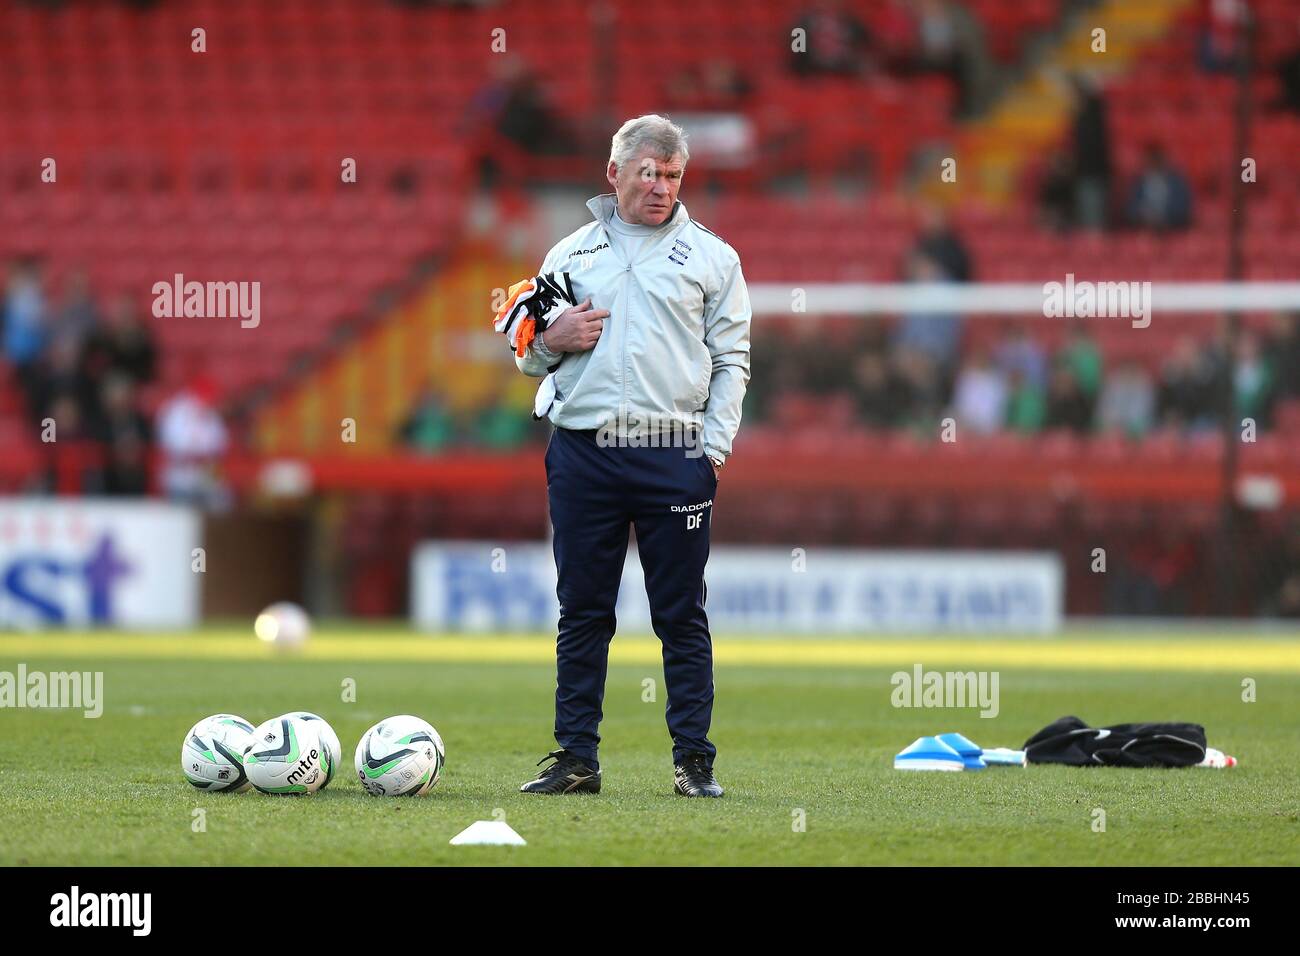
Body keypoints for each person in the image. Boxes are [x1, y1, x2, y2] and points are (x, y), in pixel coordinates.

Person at [510, 115, 750, 797]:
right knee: (582, 609)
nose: (661, 186)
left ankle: (694, 762)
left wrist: (712, 450)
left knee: (680, 612)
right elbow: (526, 357)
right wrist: (552, 336)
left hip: (672, 451)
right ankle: (575, 759)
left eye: (672, 175)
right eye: (648, 172)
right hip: (583, 450)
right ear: (613, 173)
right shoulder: (567, 255)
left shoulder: (713, 258)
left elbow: (733, 360)